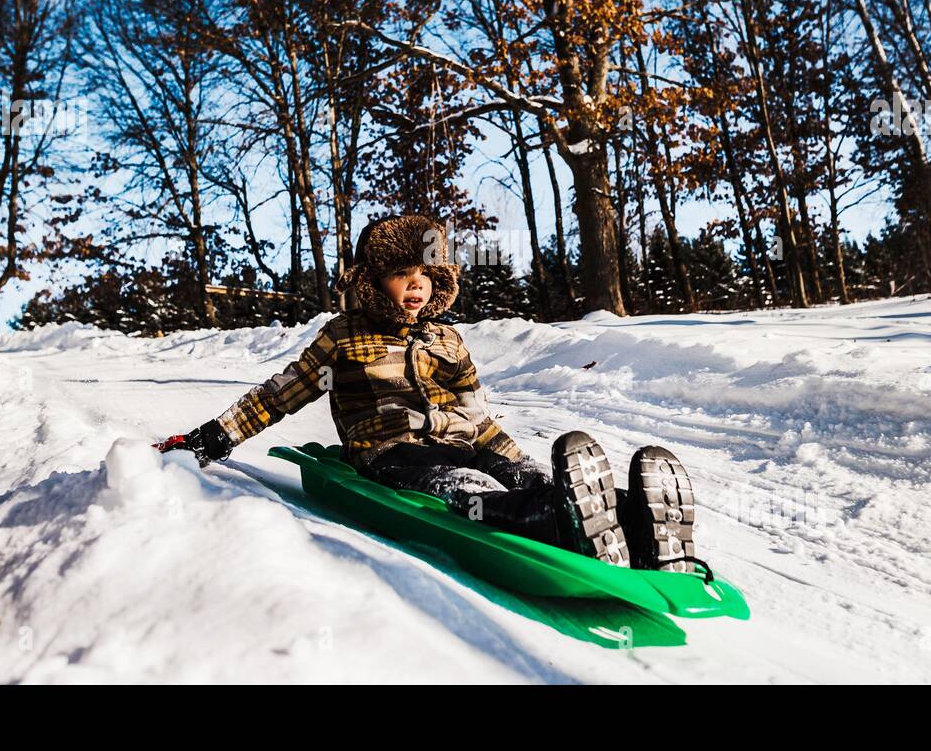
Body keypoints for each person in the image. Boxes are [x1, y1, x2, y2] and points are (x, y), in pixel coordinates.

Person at [157, 214, 701, 572]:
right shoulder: (344, 336)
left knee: (523, 474)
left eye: (426, 273)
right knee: (466, 485)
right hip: (393, 451)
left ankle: (639, 521)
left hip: (460, 437)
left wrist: (516, 457)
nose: (417, 284)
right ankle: (558, 522)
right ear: (374, 279)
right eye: (402, 273)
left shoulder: (447, 338)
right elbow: (280, 394)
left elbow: (477, 414)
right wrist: (210, 439)